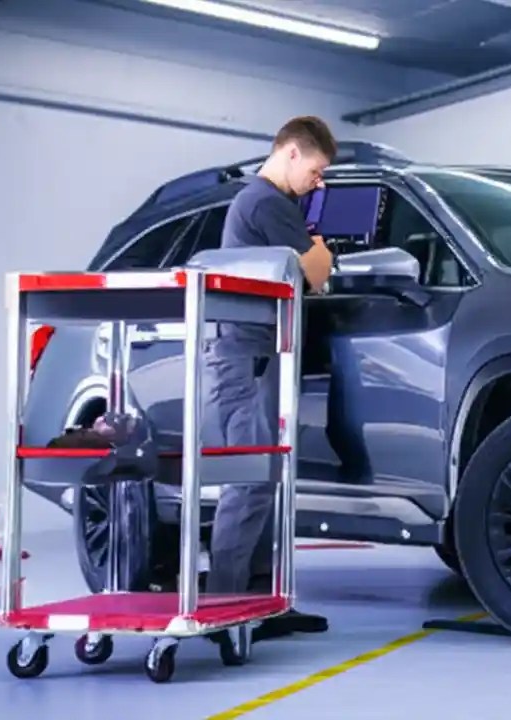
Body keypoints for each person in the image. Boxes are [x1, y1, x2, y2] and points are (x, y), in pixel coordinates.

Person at [202, 115, 337, 641]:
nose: (318, 183)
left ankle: (258, 603)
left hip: (260, 355)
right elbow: (318, 273)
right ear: (292, 154)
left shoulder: (263, 206)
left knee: (266, 482)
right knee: (251, 481)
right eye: (317, 171)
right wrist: (320, 243)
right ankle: (222, 608)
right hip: (250, 358)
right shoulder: (268, 203)